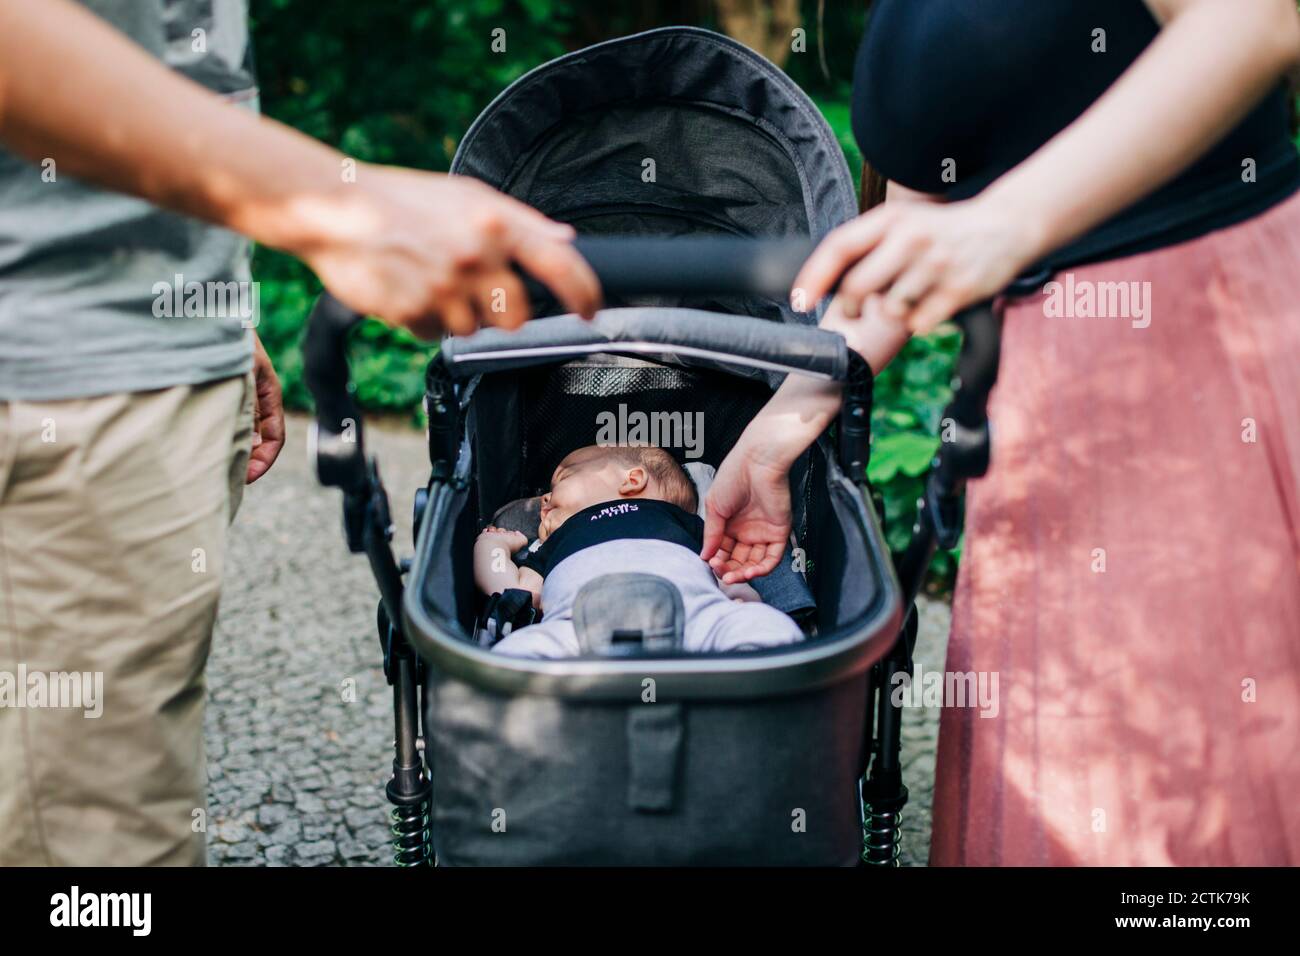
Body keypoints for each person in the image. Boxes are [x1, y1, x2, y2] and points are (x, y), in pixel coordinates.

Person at [0, 0, 599, 866]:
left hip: (124, 343)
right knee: (97, 858)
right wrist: (331, 204)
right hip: (64, 376)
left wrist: (202, 302)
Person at [704, 0, 1300, 865]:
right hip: (1041, 410)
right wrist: (768, 444)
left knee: (1193, 782)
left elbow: (1256, 20)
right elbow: (907, 251)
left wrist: (1007, 225)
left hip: (1196, 355)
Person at [475, 445, 802, 658]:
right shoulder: (555, 542)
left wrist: (737, 603)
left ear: (632, 481)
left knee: (769, 629)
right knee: (514, 655)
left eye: (562, 480)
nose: (543, 499)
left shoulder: (680, 520)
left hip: (694, 615)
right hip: (576, 630)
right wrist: (493, 546)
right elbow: (516, 595)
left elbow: (729, 568)